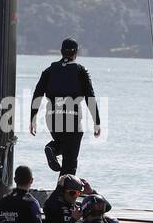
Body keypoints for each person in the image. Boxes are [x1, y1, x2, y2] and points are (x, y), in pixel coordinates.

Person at [30, 37, 101, 175]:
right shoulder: (81, 71)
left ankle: (53, 148)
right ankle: (64, 192)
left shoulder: (49, 71)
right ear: (76, 53)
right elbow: (90, 96)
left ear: (61, 51)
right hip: (72, 117)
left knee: (63, 144)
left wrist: (32, 118)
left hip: (52, 117)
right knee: (70, 160)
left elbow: (37, 94)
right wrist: (97, 122)